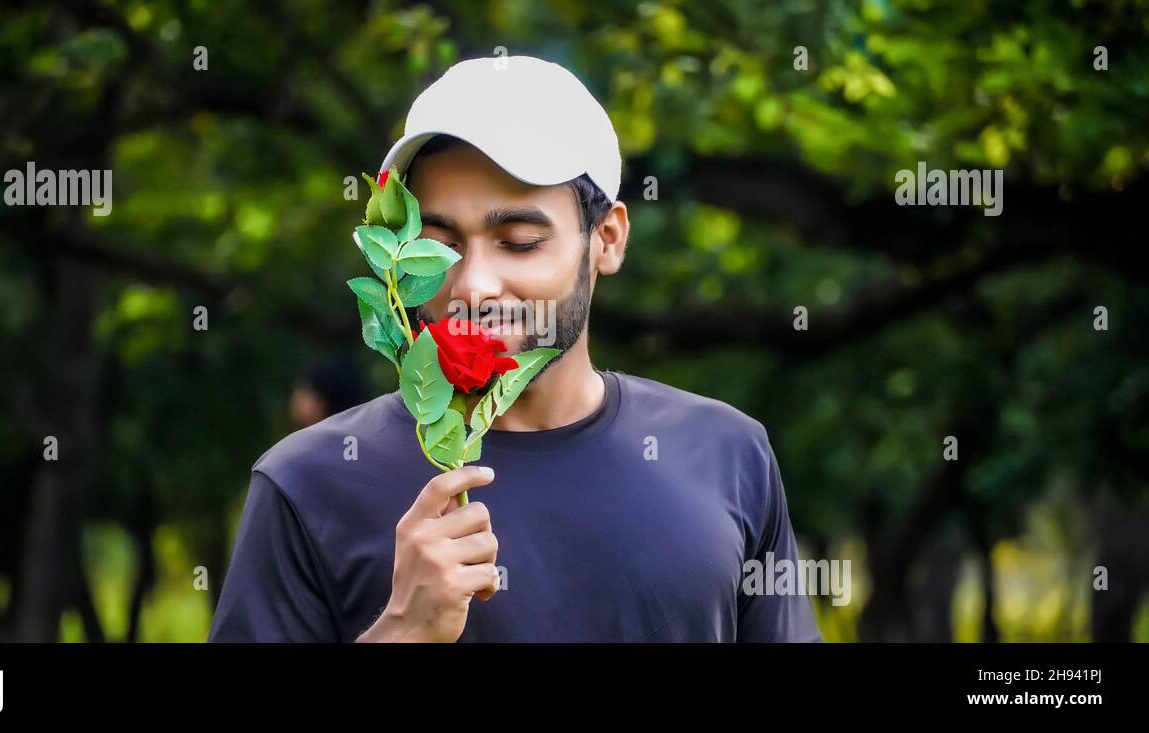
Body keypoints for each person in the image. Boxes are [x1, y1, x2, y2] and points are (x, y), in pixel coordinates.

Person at [209, 56, 822, 642]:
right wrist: (402, 633)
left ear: (605, 240)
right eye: (439, 245)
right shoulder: (308, 483)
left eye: (520, 242)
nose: (473, 284)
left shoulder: (728, 455)